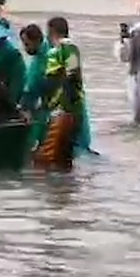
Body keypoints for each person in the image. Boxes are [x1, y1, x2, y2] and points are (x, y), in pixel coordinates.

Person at [32, 16, 90, 170]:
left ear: (51, 32)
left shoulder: (59, 50)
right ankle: (66, 183)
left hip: (62, 110)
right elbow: (72, 76)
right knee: (64, 158)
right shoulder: (71, 49)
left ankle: (59, 184)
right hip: (72, 109)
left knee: (50, 158)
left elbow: (57, 79)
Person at [18, 23, 52, 147]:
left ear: (37, 41)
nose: (25, 48)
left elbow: (31, 88)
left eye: (27, 44)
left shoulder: (42, 61)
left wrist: (24, 109)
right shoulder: (44, 53)